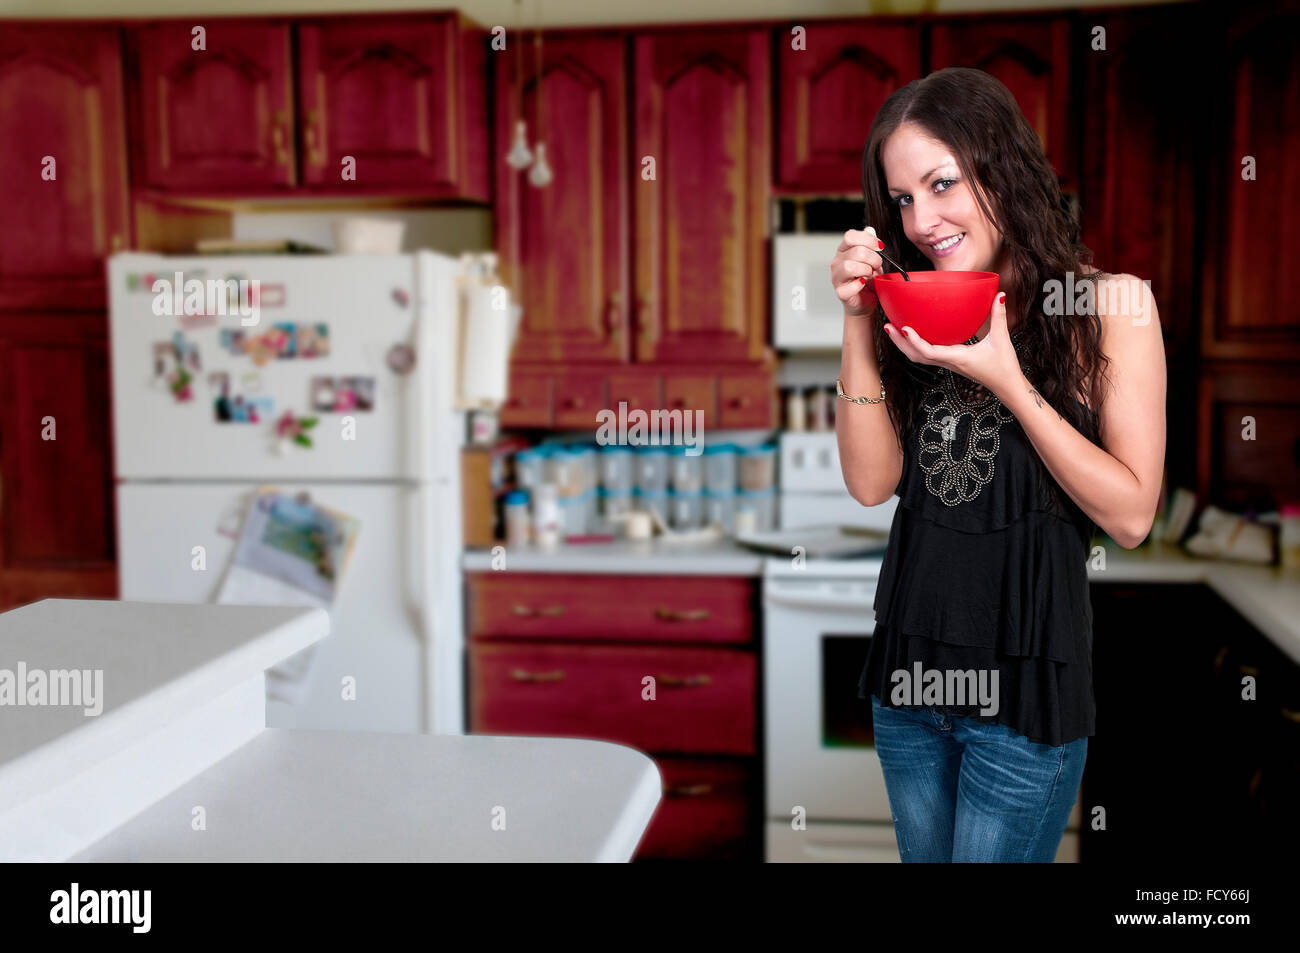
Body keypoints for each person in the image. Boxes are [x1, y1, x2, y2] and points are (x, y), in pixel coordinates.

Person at [830, 67, 1167, 862]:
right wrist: (856, 322)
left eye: (942, 183)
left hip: (1023, 707)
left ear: (1002, 167)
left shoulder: (1107, 309)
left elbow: (1130, 515)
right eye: (904, 198)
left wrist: (1008, 381)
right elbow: (871, 482)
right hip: (909, 691)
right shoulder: (914, 311)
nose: (922, 219)